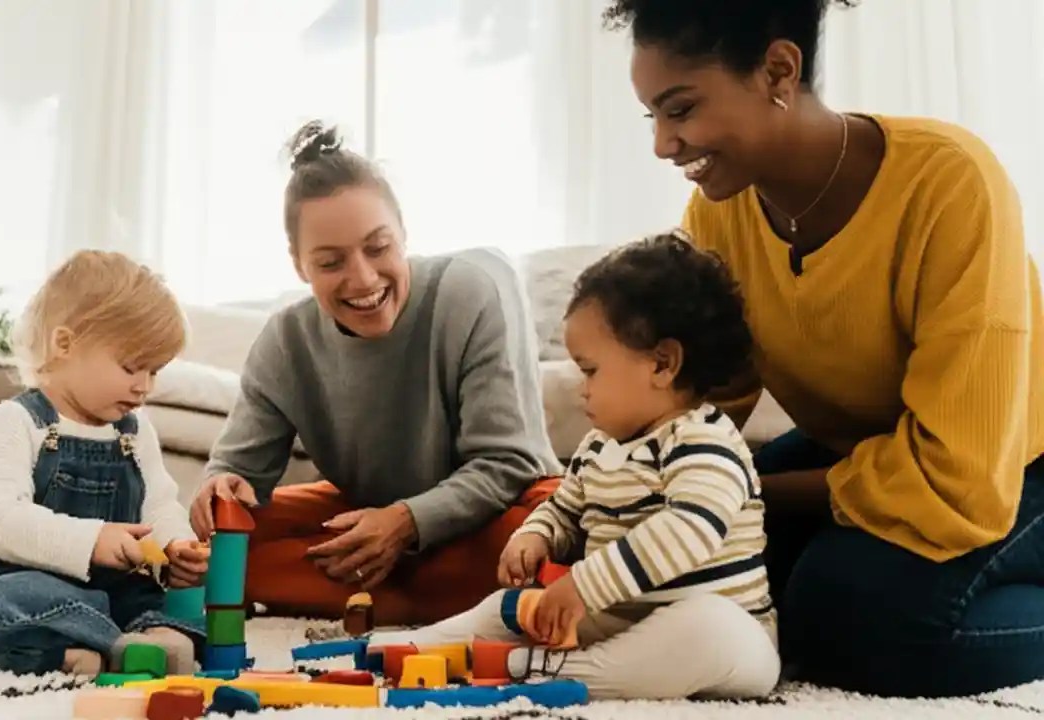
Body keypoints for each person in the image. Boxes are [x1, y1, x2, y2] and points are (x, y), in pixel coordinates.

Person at [608, 0, 1044, 698]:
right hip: (862, 452)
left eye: (681, 109)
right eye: (652, 116)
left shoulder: (951, 183)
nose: (663, 143)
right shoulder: (720, 212)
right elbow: (706, 393)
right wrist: (631, 483)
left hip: (1008, 463)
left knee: (843, 611)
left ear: (779, 70)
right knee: (706, 579)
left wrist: (739, 491)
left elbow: (961, 474)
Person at [370, 233, 780, 700]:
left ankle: (549, 672)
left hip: (729, 639)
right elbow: (566, 508)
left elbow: (688, 530)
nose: (580, 389)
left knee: (710, 627)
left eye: (590, 371)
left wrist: (584, 585)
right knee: (512, 607)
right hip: (621, 617)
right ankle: (412, 647)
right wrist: (537, 535)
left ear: (663, 364)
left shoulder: (705, 441)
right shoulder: (597, 447)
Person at [189, 121, 562, 626]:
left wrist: (405, 523)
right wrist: (220, 490)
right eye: (330, 262)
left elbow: (508, 463)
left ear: (403, 233)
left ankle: (390, 592)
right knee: (220, 542)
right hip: (370, 512)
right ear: (299, 265)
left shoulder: (471, 291)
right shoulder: (285, 341)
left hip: (492, 514)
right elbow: (237, 476)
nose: (362, 278)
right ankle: (418, 594)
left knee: (548, 531)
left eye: (378, 247)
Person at [0, 250, 210, 677]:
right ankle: (100, 639)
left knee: (178, 604)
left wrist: (175, 545)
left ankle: (121, 639)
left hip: (113, 585)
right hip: (18, 571)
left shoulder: (133, 431)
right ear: (65, 344)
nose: (144, 386)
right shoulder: (19, 421)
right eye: (132, 366)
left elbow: (159, 504)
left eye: (154, 371)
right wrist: (90, 541)